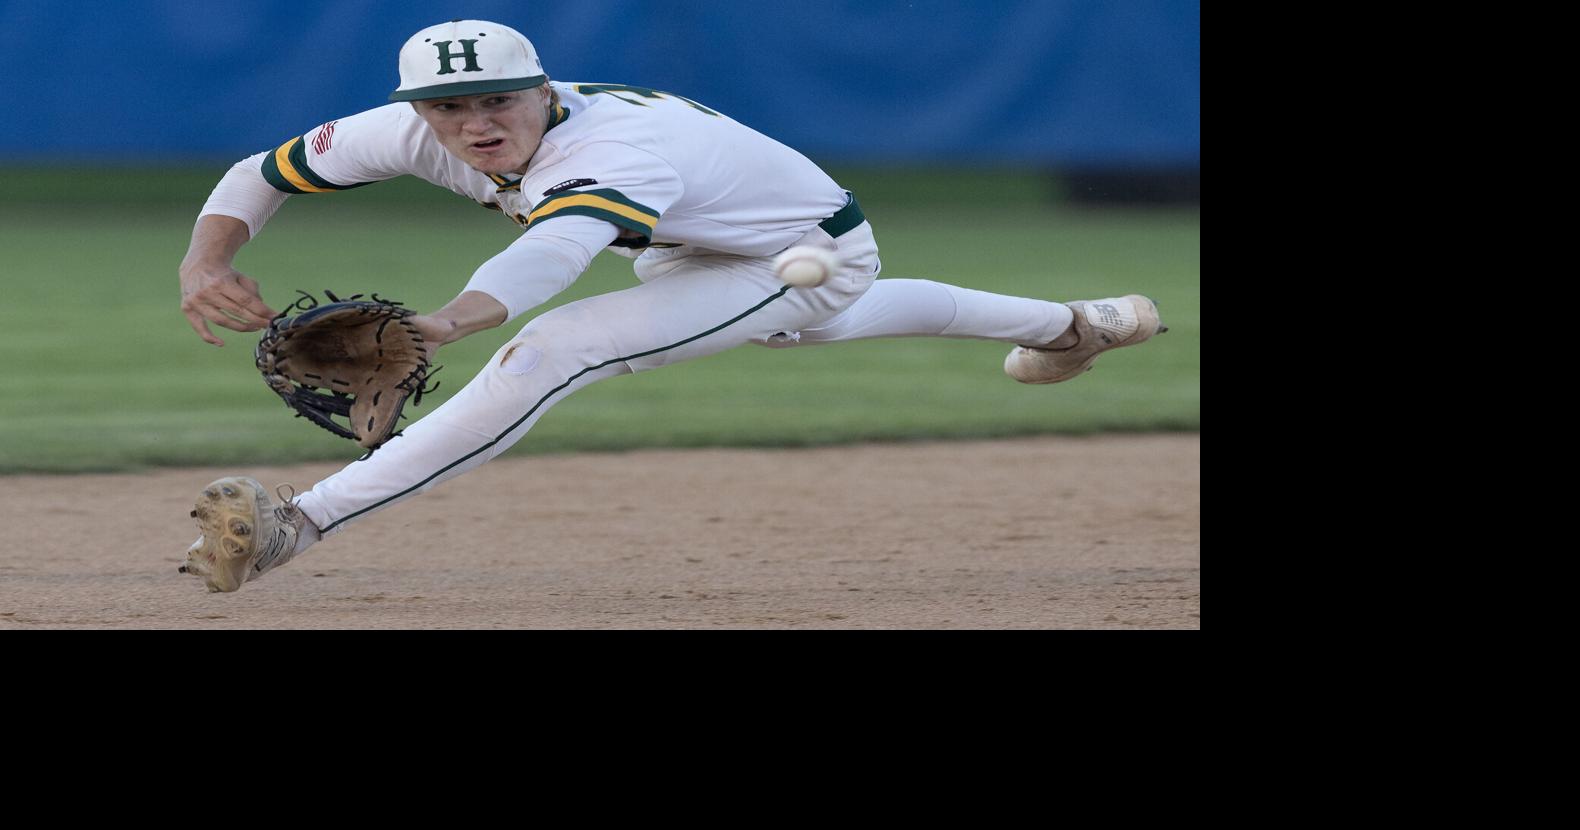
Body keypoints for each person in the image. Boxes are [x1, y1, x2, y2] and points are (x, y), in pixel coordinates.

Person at [176, 19, 1165, 593]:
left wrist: (449, 320)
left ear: (543, 92)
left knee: (559, 344)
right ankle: (1078, 325)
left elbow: (557, 249)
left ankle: (298, 523)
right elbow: (256, 172)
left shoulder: (609, 151)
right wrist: (202, 261)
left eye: (499, 102)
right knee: (813, 320)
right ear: (417, 108)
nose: (474, 124)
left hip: (800, 249)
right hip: (700, 248)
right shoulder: (404, 128)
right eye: (448, 108)